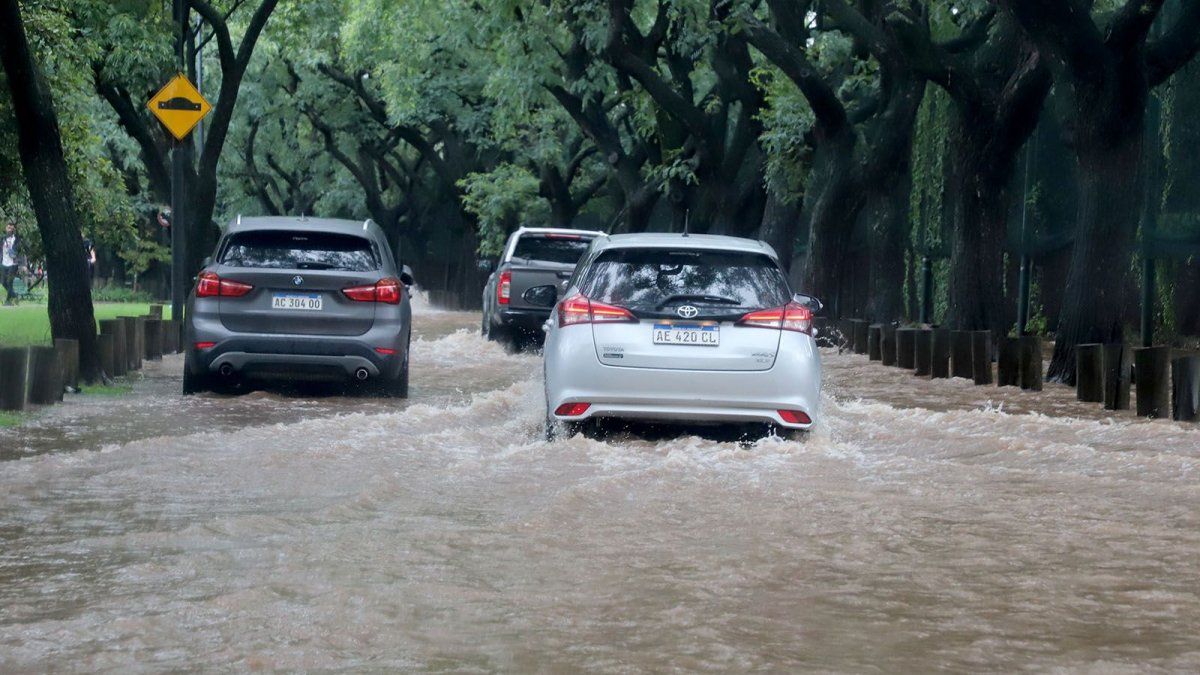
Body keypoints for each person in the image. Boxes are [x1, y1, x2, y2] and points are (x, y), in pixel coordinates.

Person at [2, 222, 23, 306]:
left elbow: (18, 250)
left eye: (10, 228)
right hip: (3, 263)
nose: (9, 229)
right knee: (3, 282)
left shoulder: (17, 239)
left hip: (13, 264)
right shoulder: (2, 239)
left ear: (13, 229)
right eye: (8, 227)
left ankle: (8, 301)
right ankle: (14, 295)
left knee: (9, 282)